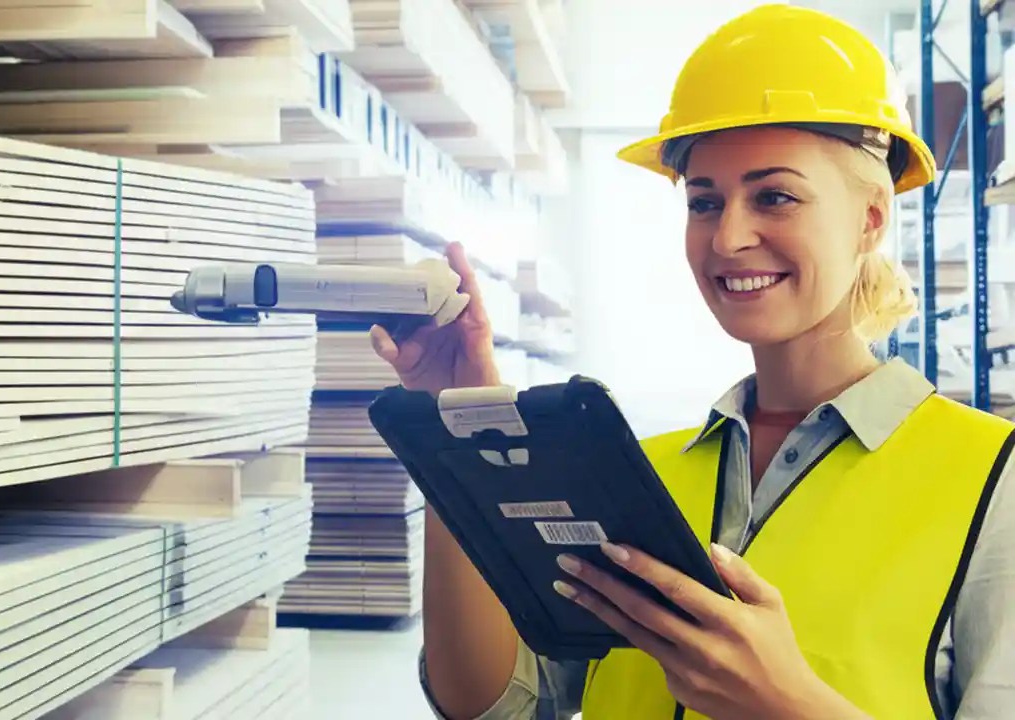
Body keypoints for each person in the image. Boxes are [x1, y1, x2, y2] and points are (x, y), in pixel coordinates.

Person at [369, 5, 1015, 720]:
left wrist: (784, 703)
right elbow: (494, 705)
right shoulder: (639, 474)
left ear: (870, 218)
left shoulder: (993, 484)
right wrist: (455, 435)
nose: (729, 236)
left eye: (774, 196)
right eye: (704, 202)